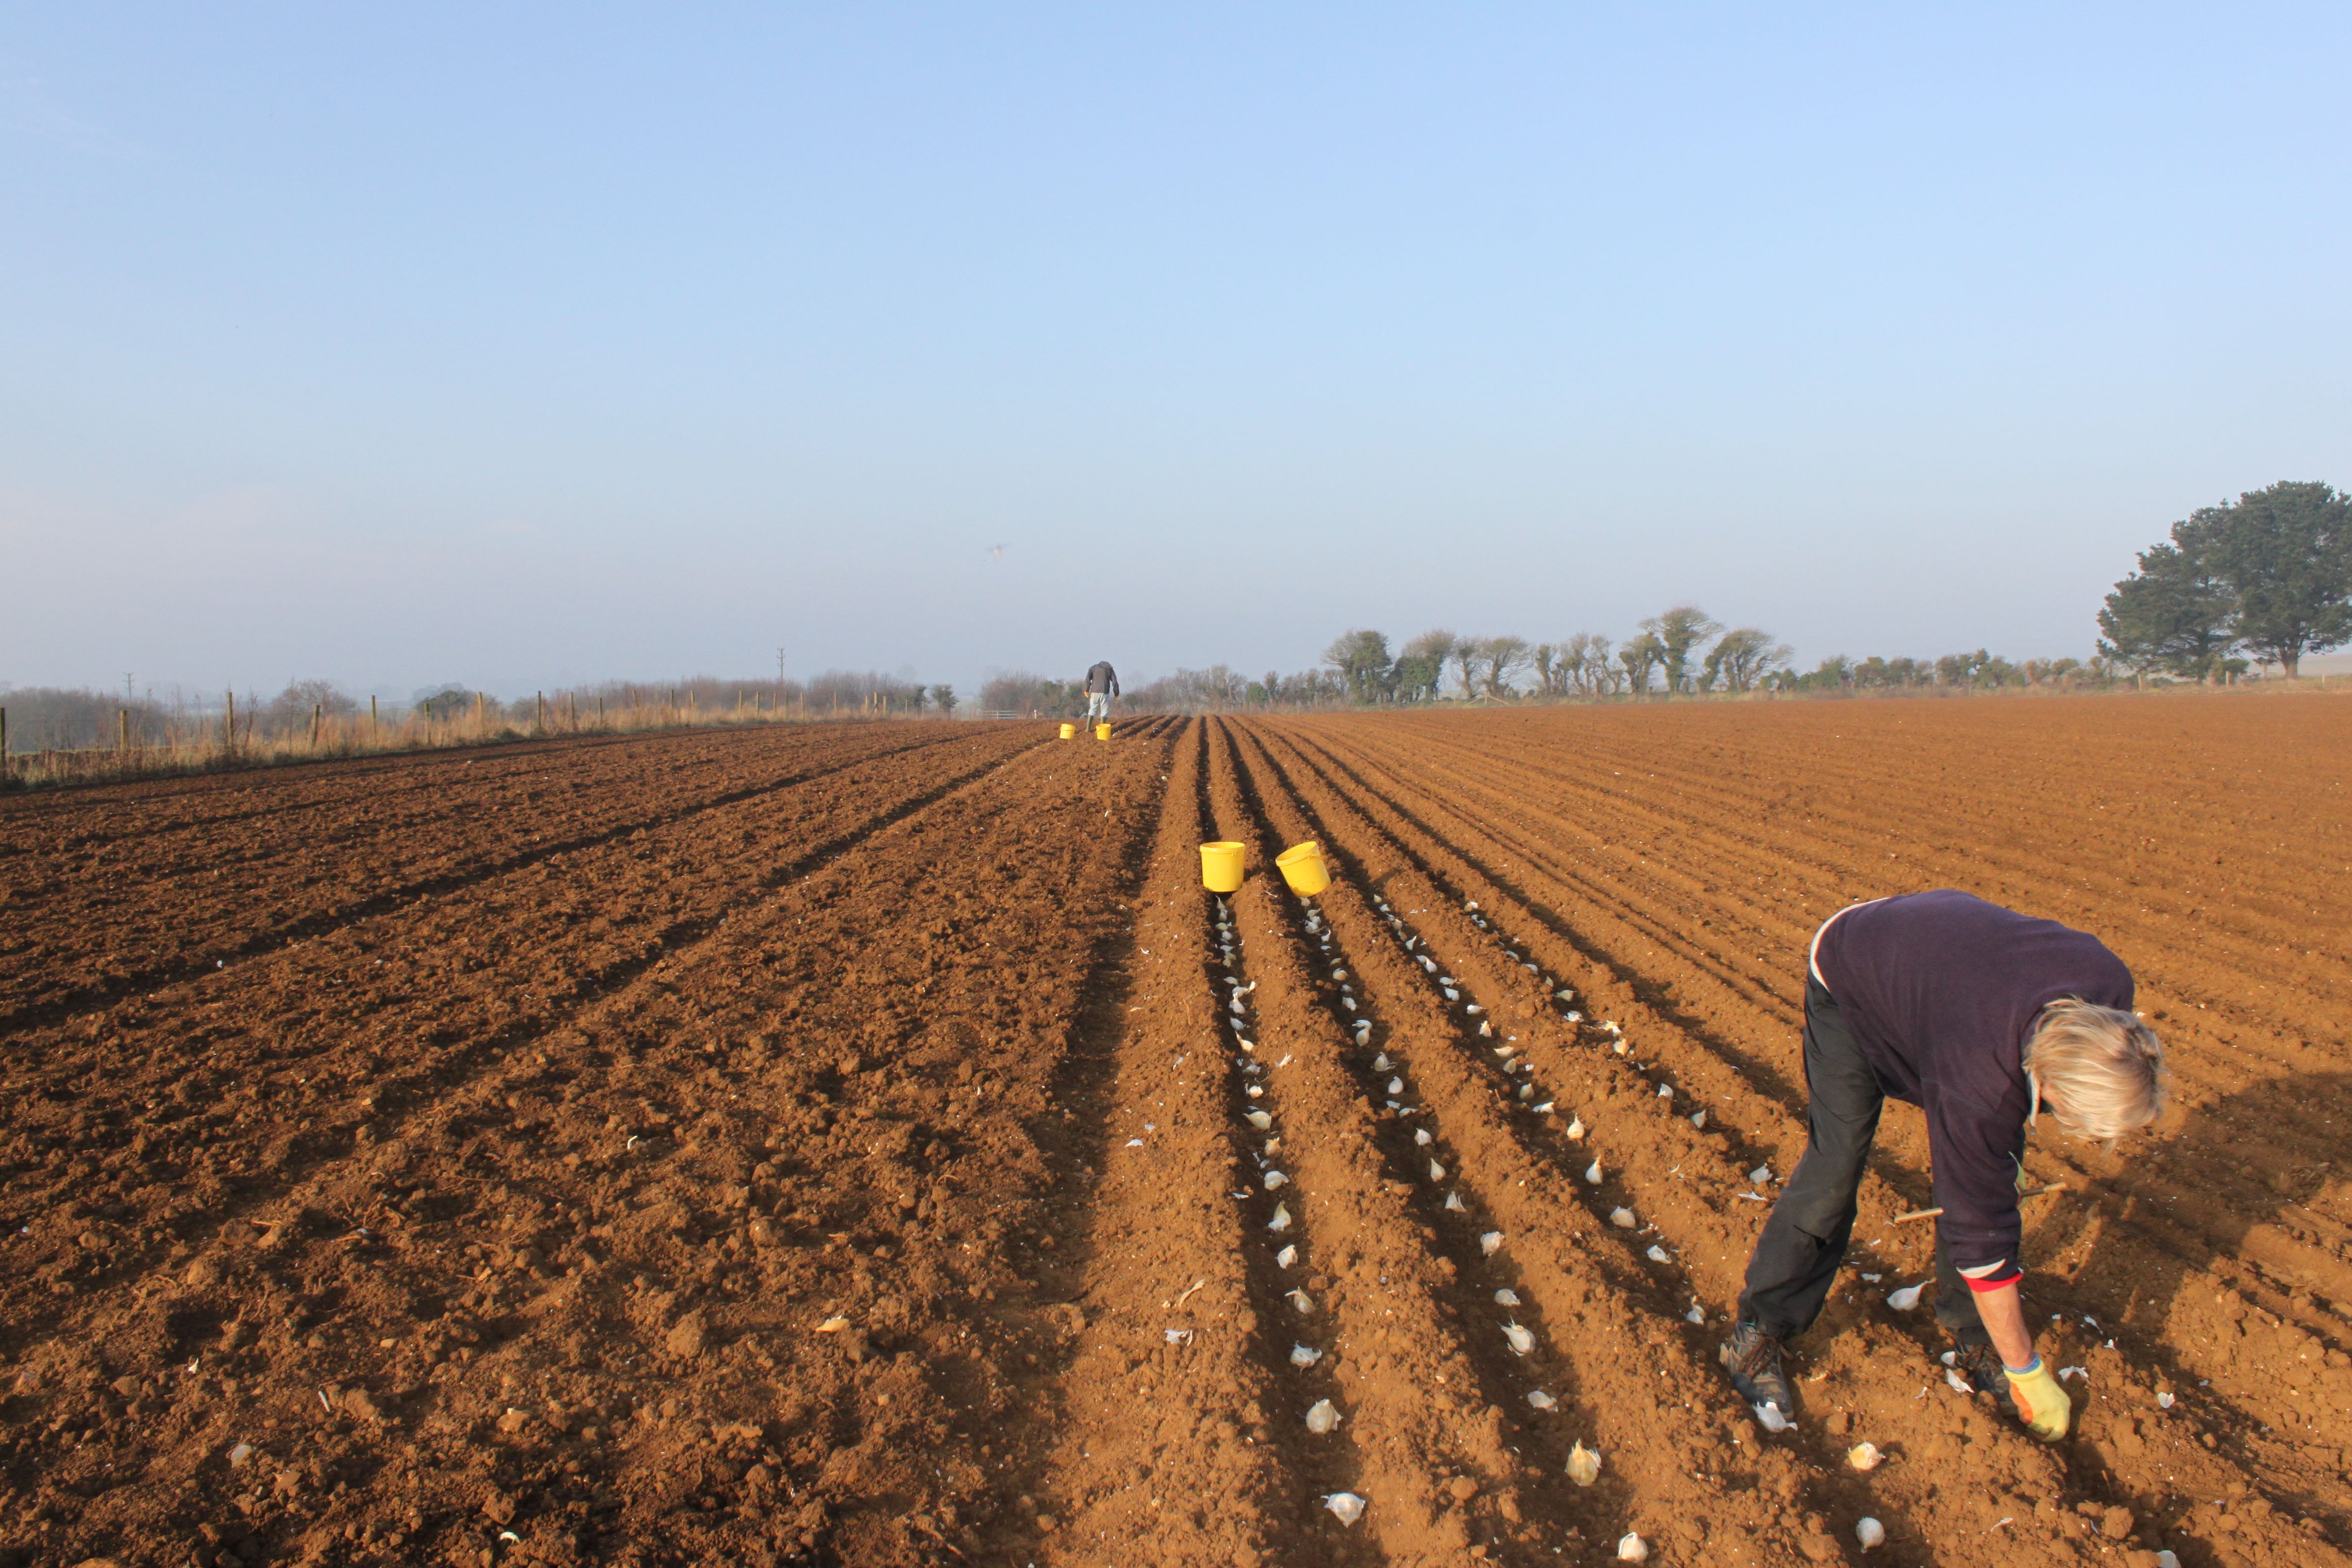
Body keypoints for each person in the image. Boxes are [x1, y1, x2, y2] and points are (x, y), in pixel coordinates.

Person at [1719, 889, 2165, 1443]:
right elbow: (1980, 1229)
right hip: (1854, 971)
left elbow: (1985, 1193)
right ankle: (1761, 1328)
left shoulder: (2109, 987)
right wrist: (2027, 1370)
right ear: (2047, 1079)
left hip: (1941, 967)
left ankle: (1974, 1333)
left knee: (1990, 1172)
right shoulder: (1981, 1073)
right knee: (1837, 1165)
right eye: (2066, 1113)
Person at [1083, 660, 1120, 724]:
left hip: (1094, 691)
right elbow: (1115, 682)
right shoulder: (1109, 669)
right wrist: (1116, 694)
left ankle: (1088, 729)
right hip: (1105, 692)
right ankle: (1102, 728)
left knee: (1093, 709)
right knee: (1104, 710)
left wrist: (1087, 690)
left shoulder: (1093, 668)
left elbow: (1088, 679)